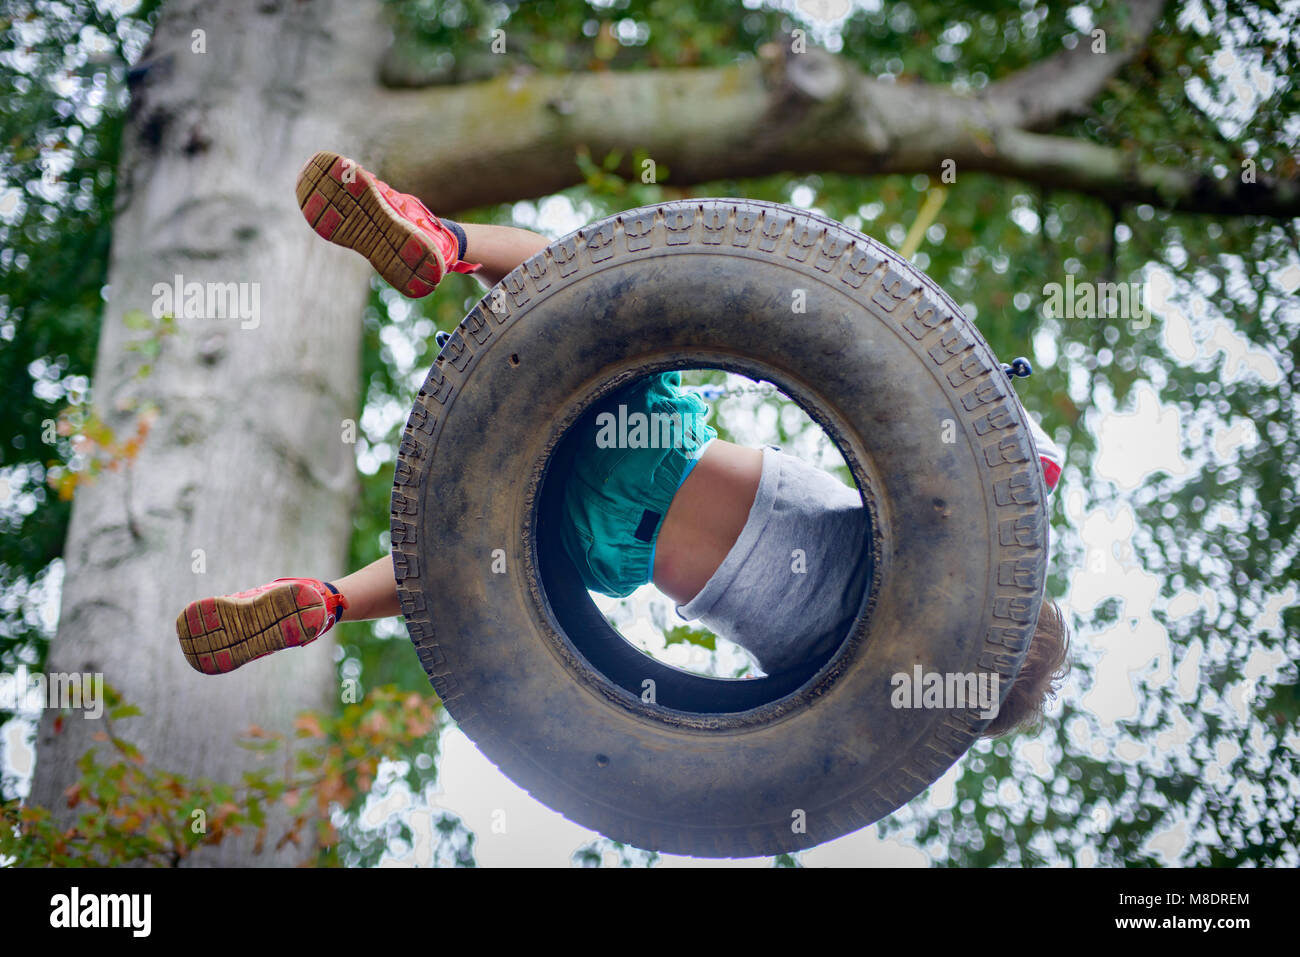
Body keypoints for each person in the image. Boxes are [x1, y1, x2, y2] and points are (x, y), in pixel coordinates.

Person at [176, 151, 1069, 738]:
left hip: (656, 451)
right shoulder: (854, 681)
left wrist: (1022, 500)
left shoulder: (928, 553)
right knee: (456, 566)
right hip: (608, 554)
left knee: (585, 285)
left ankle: (443, 241)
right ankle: (326, 603)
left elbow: (1015, 458)